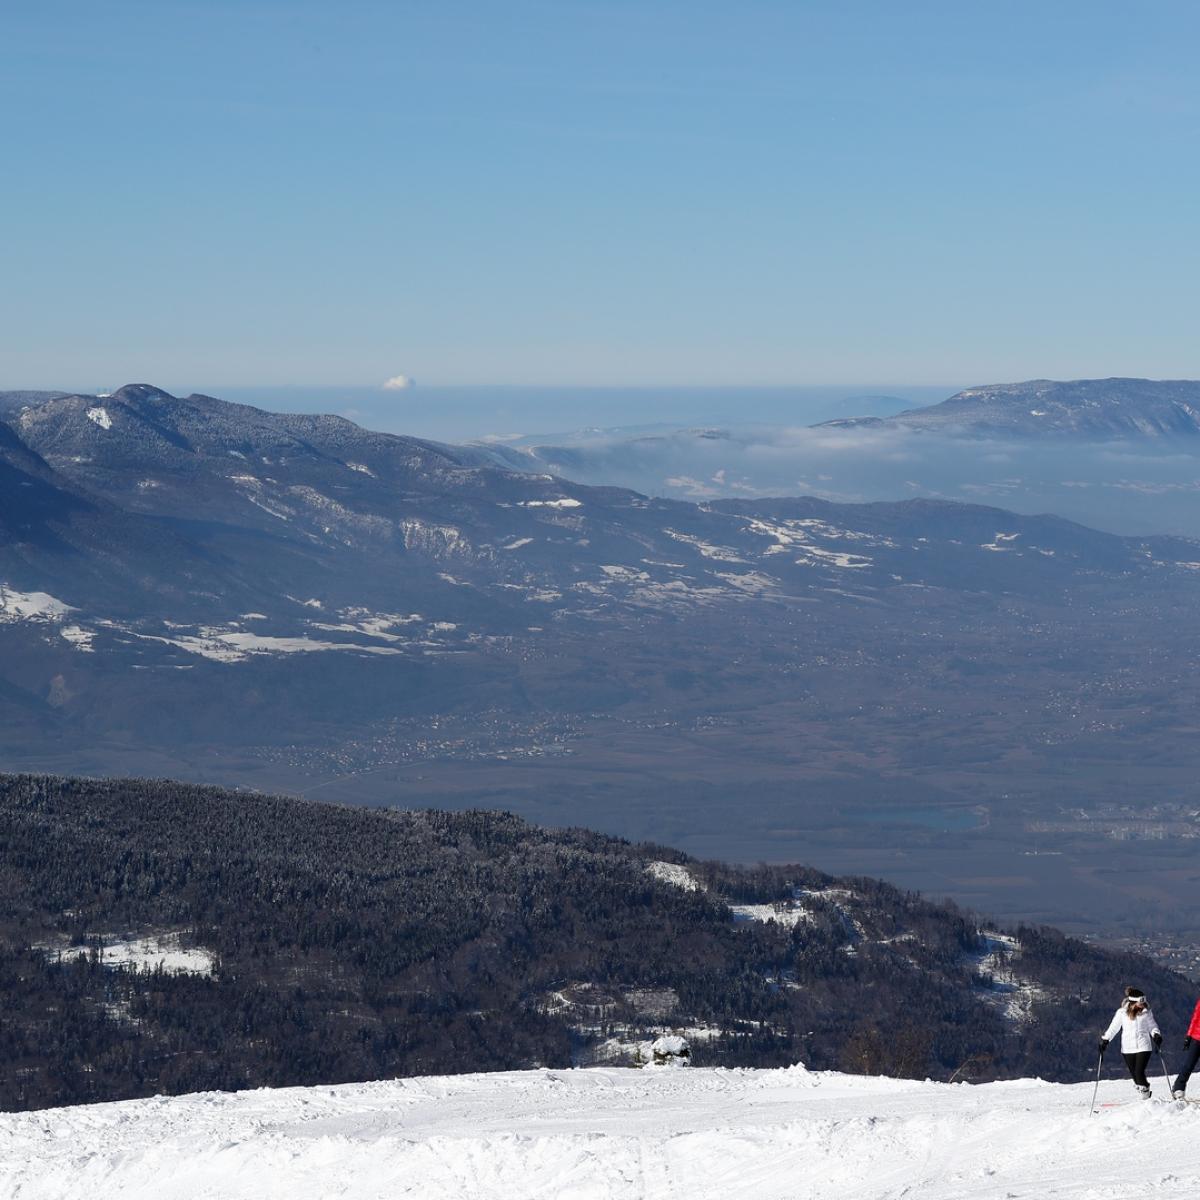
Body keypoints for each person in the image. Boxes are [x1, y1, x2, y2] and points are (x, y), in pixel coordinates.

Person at [1100, 986, 1161, 1099]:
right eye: (1140, 1003)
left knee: (1139, 1072)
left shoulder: (1146, 1012)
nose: (1143, 1005)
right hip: (1128, 1048)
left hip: (1144, 1046)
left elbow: (1152, 1026)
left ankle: (1145, 1098)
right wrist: (1106, 1039)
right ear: (1133, 1002)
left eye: (1143, 1002)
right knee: (1135, 1076)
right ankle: (1145, 1090)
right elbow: (1114, 1028)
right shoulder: (1121, 1013)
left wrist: (1156, 1034)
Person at [1171, 993, 1200, 1100]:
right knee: (1189, 1064)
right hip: (1196, 1038)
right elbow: (1195, 1018)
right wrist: (1188, 1036)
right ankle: (1178, 1088)